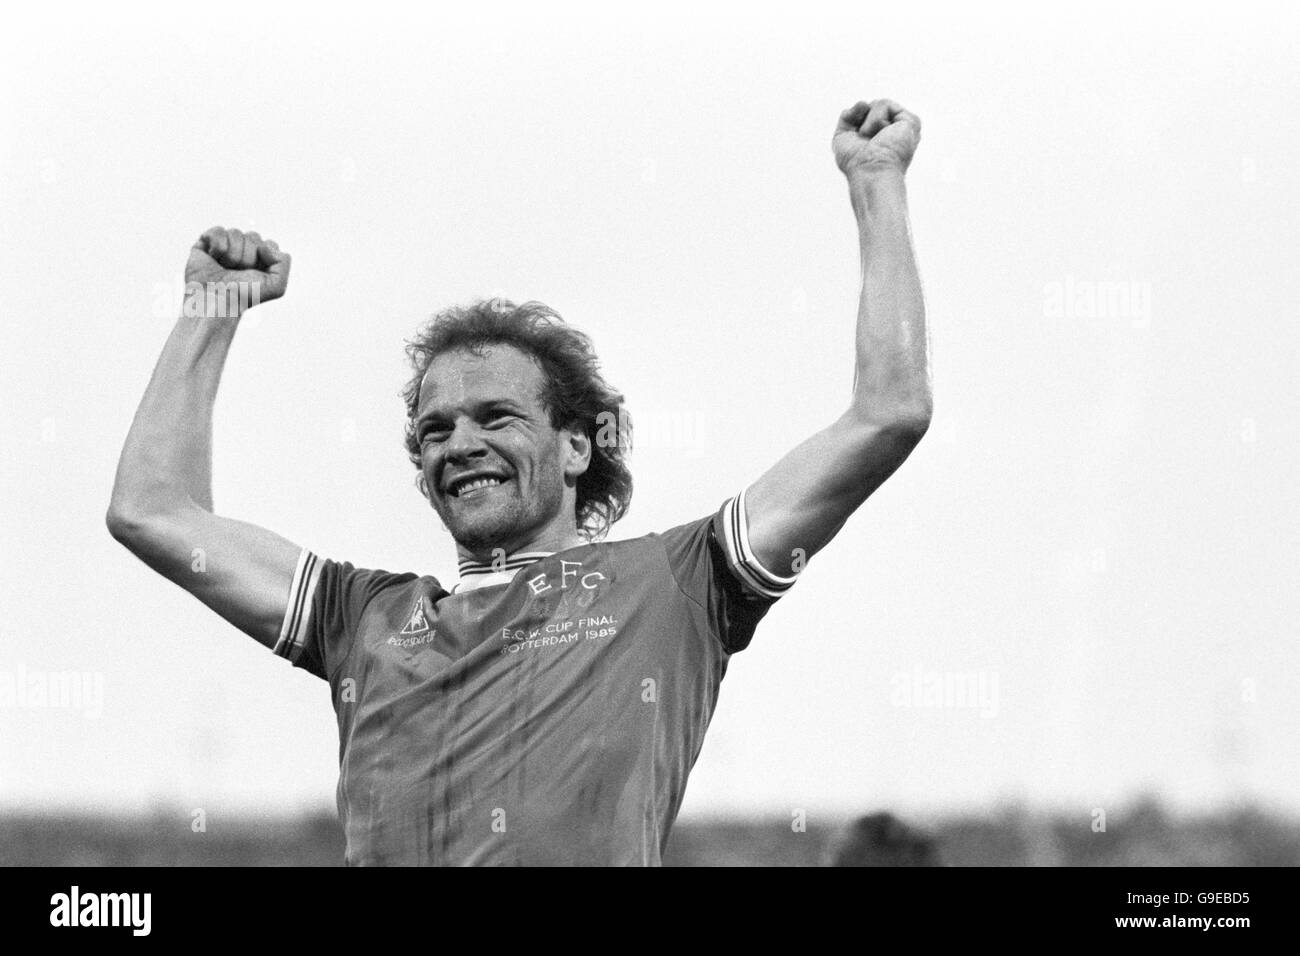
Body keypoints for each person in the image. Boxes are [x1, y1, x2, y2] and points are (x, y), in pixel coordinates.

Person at [107, 98, 931, 865]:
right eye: (435, 430)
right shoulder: (361, 619)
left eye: (496, 418)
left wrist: (876, 184)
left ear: (578, 447)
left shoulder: (680, 586)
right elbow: (151, 511)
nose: (459, 442)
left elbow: (887, 413)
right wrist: (209, 313)